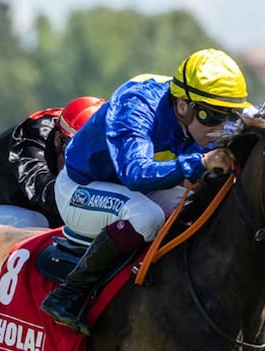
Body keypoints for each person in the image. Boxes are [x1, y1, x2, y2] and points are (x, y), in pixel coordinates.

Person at [40, 48, 253, 335]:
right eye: (213, 117)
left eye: (231, 117)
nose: (222, 128)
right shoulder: (136, 104)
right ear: (182, 105)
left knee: (200, 209)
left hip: (132, 190)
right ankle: (69, 293)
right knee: (147, 216)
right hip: (81, 189)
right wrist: (201, 162)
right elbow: (136, 174)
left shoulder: (201, 106)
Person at [0, 96, 105, 248]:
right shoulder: (30, 144)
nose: (86, 165)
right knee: (35, 223)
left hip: (8, 214)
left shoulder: (74, 132)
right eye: (77, 154)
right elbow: (58, 199)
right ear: (57, 140)